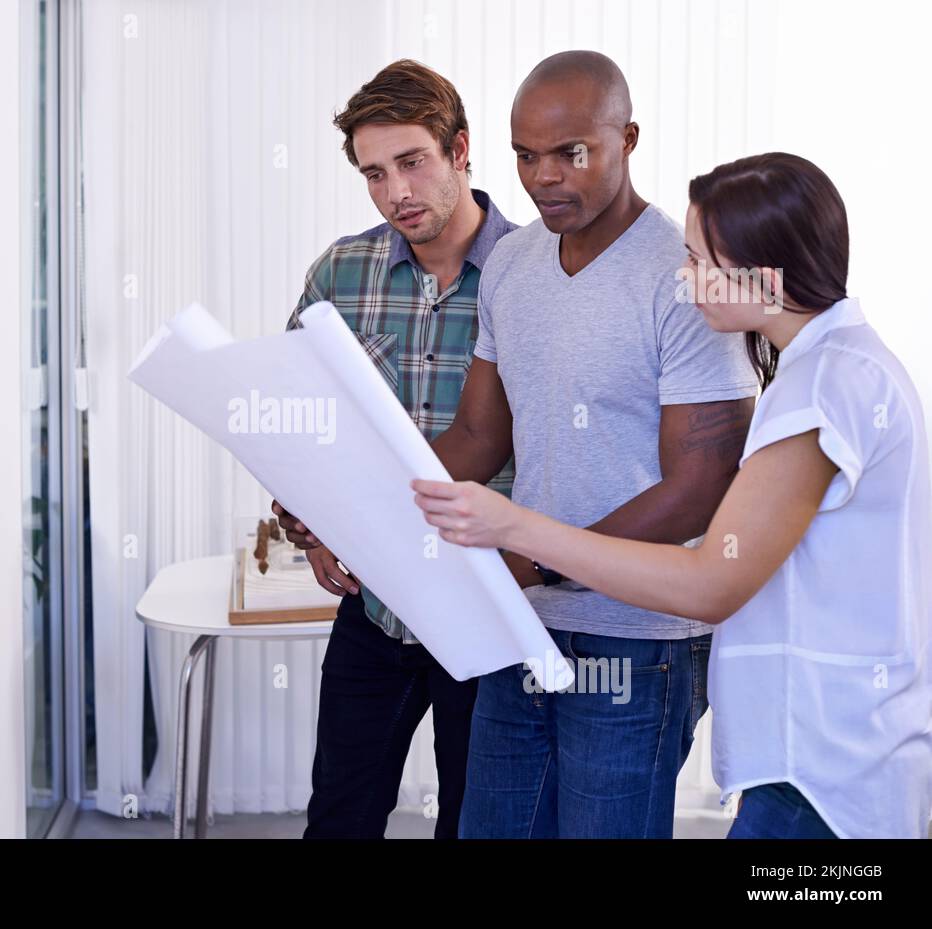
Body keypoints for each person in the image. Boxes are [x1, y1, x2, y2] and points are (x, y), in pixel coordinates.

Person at [414, 152, 932, 839]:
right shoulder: (834, 368)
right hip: (815, 762)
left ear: (762, 272)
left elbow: (710, 581)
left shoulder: (824, 389)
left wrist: (517, 528)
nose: (683, 279)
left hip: (823, 775)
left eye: (698, 261)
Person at [424, 50, 759, 838]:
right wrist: (362, 495)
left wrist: (541, 557)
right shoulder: (511, 261)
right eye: (525, 155)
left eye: (571, 152)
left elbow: (702, 486)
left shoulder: (686, 272)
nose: (543, 176)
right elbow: (478, 433)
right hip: (524, 620)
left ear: (627, 139)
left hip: (639, 637)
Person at [271, 59, 519, 838]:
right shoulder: (341, 273)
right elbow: (291, 421)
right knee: (339, 819)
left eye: (411, 162)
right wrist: (307, 523)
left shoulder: (534, 272)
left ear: (460, 149)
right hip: (374, 611)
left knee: (475, 825)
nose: (395, 193)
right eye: (374, 174)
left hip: (493, 613)